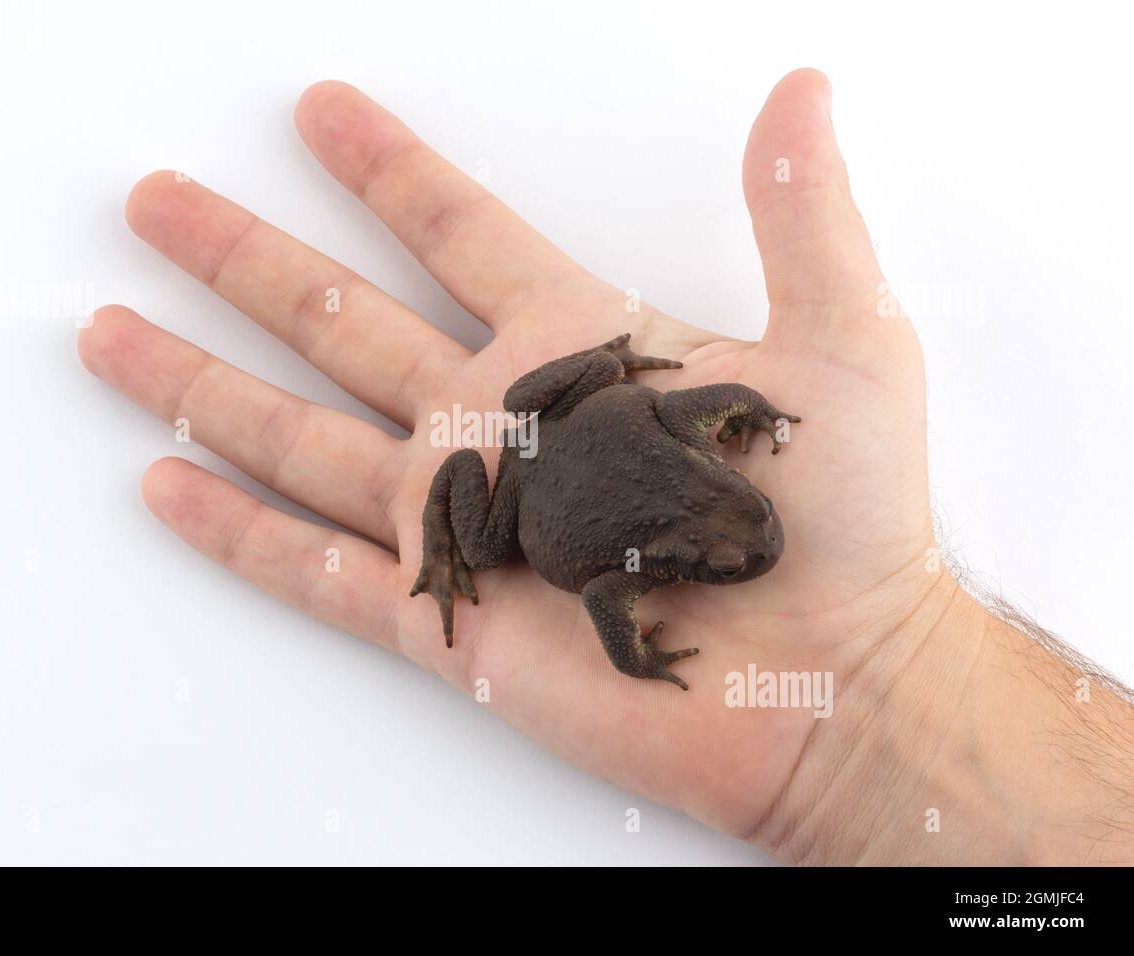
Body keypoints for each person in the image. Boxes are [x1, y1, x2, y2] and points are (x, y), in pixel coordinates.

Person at [77, 68, 1134, 865]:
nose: (752, 544)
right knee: (486, 538)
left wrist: (728, 403)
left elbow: (685, 425)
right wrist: (584, 599)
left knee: (537, 430)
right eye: (728, 557)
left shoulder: (669, 479)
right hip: (529, 487)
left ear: (721, 486)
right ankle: (449, 557)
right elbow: (617, 580)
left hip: (566, 418)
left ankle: (566, 410)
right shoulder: (633, 551)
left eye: (737, 531)